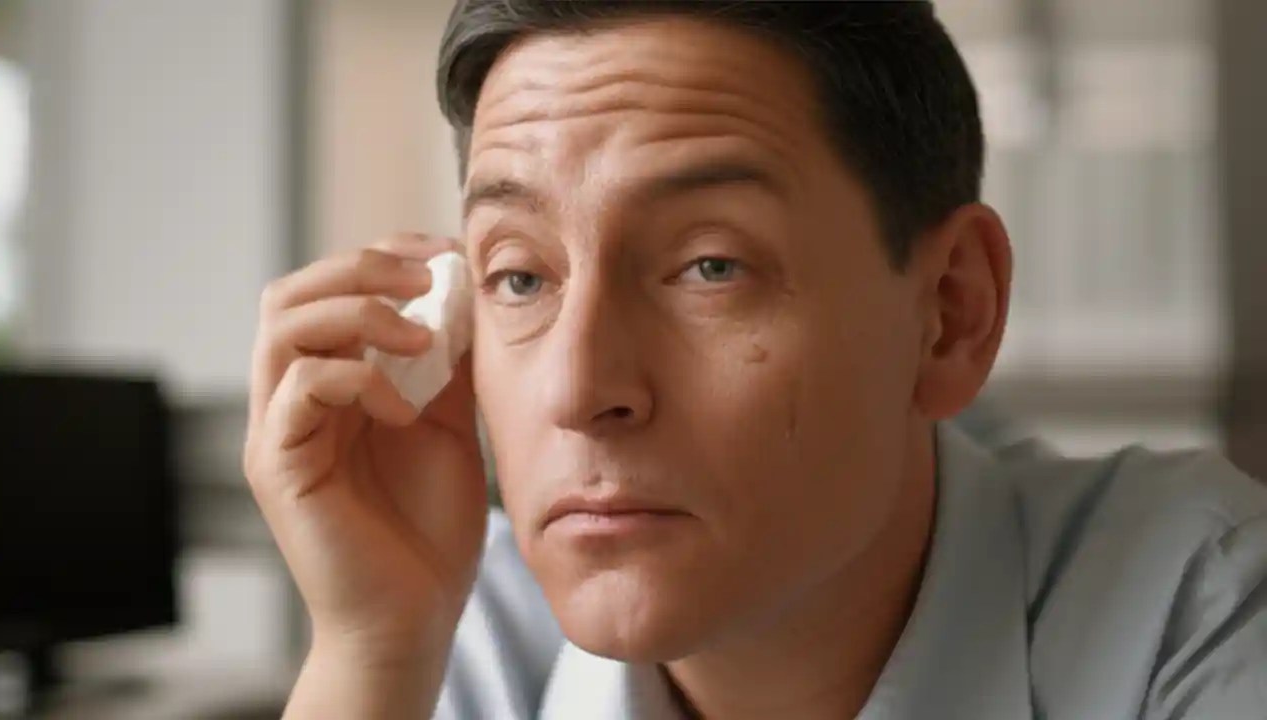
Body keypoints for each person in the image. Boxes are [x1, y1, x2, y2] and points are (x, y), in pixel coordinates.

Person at [241, 2, 1267, 718]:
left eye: (708, 265)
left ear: (949, 313)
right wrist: (370, 653)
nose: (577, 389)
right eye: (519, 278)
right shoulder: (455, 632)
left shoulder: (1196, 608)